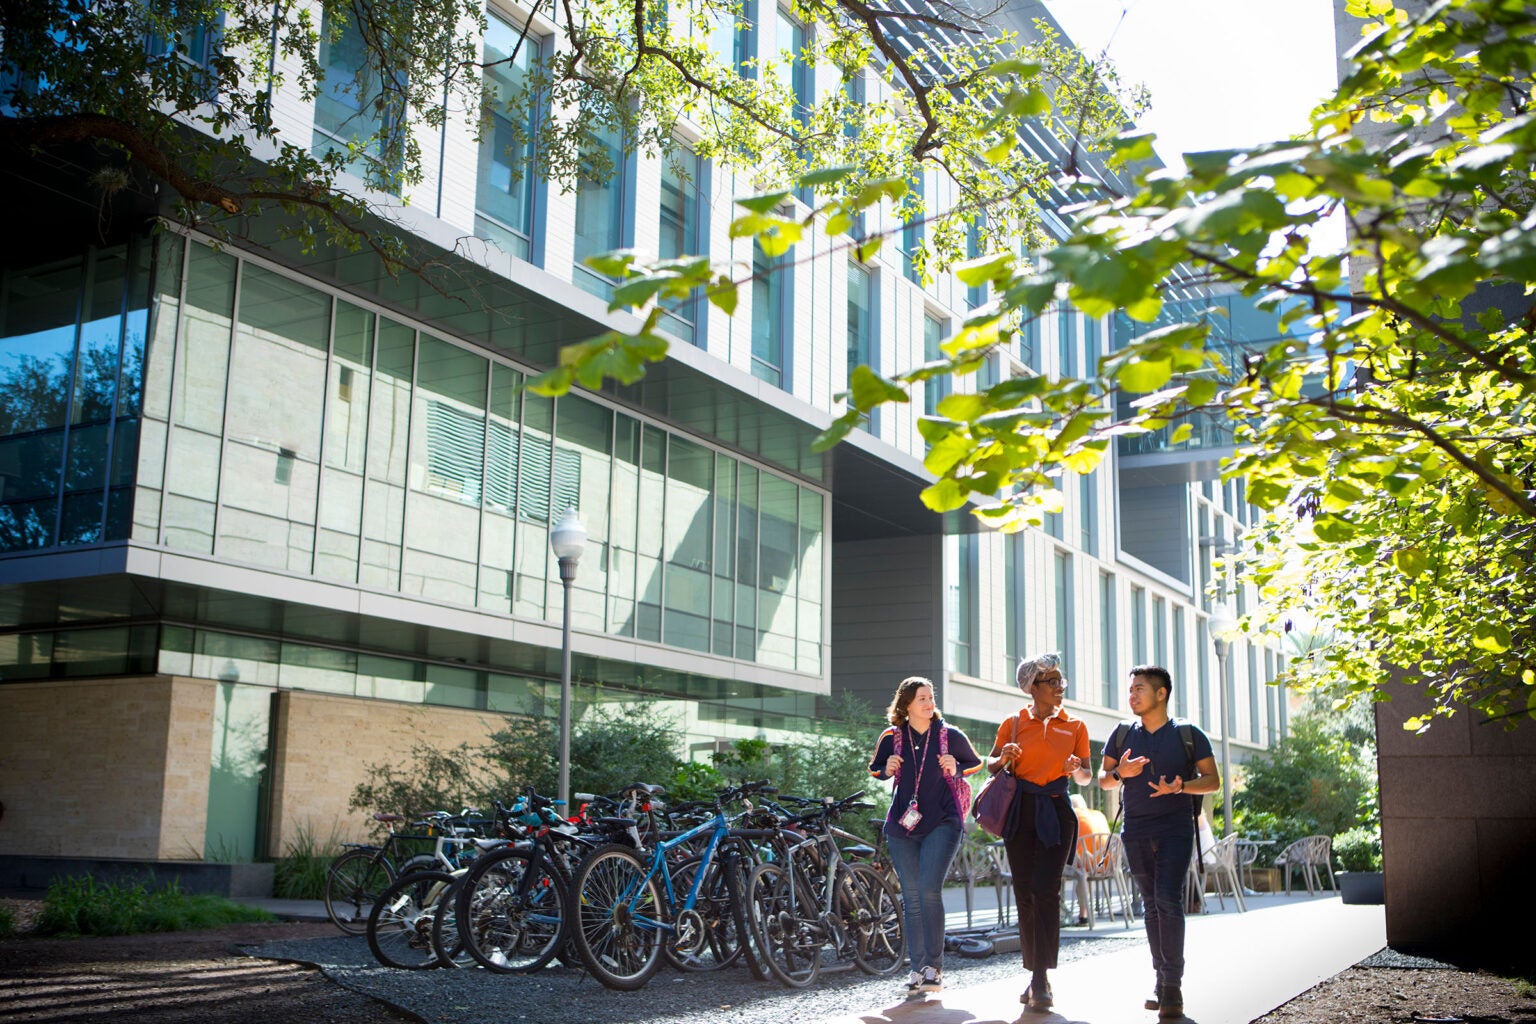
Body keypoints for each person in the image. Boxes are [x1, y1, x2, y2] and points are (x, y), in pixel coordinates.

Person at [1099, 665, 1221, 1021]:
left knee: (1168, 900)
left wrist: (1181, 786)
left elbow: (1212, 781)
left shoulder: (1188, 734)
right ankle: (1161, 979)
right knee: (1151, 905)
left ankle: (1172, 987)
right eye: (1131, 689)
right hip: (1135, 829)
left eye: (1139, 689)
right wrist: (1122, 773)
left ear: (1161, 693)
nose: (1132, 695)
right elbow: (1105, 781)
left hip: (1175, 829)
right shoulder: (1121, 734)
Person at [986, 652, 1091, 1014]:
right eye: (1053, 682)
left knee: (1047, 890)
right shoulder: (1013, 722)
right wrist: (1004, 758)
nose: (1060, 687)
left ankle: (1041, 979)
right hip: (1020, 811)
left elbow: (1086, 777)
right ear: (1032, 686)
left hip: (1058, 810)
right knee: (1025, 892)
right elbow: (991, 763)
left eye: (1062, 681)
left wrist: (1075, 769)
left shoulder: (1075, 725)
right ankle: (1034, 973)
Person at [868, 676, 982, 995]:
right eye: (922, 698)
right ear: (906, 705)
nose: (929, 703)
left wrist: (956, 766)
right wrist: (886, 767)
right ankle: (917, 969)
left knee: (929, 891)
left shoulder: (949, 735)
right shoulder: (893, 737)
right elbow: (875, 768)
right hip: (902, 827)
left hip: (943, 822)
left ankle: (934, 967)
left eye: (931, 697)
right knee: (912, 896)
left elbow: (976, 763)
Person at [1068, 793, 1109, 925]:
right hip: (1107, 863)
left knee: (1054, 871)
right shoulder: (1099, 815)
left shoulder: (1075, 816)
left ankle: (1066, 914)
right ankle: (1082, 915)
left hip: (1086, 865)